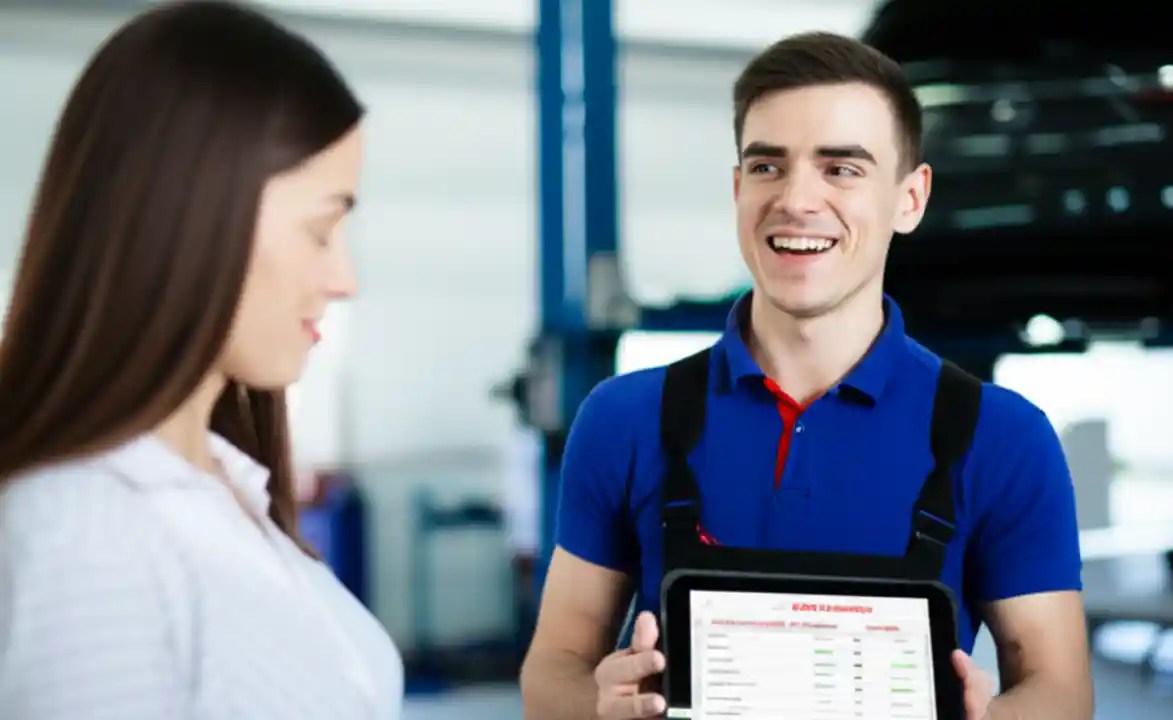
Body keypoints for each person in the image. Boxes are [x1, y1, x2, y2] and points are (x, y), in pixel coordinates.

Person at [520, 31, 1094, 720]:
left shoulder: (1001, 436)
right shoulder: (626, 420)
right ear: (738, 187)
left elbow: (1061, 690)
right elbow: (551, 672)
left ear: (910, 198)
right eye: (768, 166)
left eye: (841, 168)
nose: (796, 199)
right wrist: (599, 707)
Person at [0, 2, 402, 718]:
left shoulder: (228, 490)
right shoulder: (83, 533)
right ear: (190, 219)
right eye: (321, 231)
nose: (346, 280)